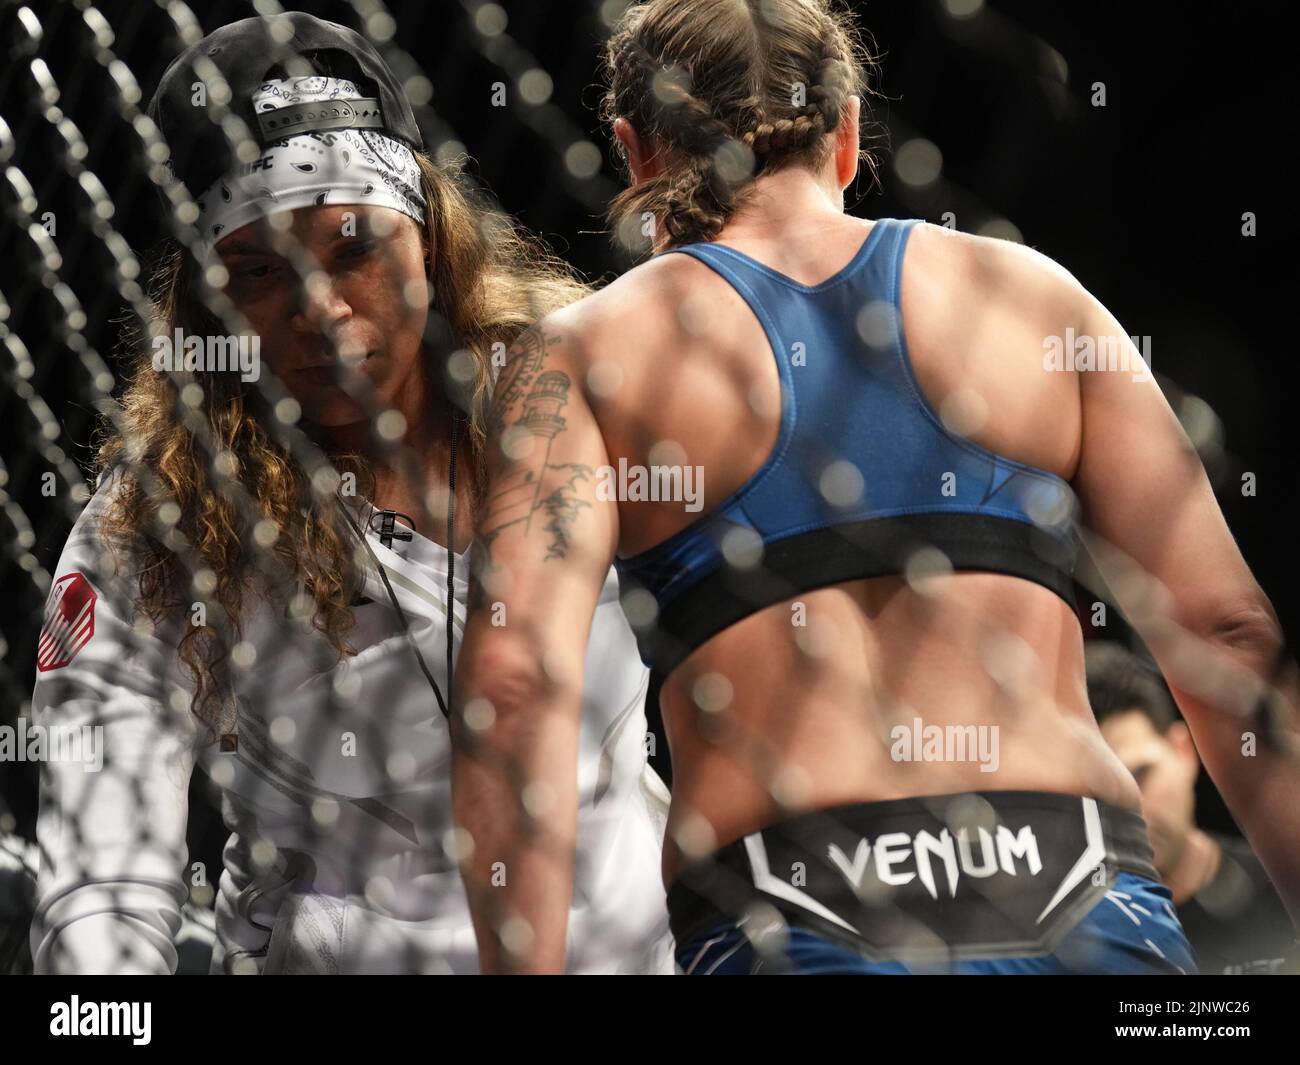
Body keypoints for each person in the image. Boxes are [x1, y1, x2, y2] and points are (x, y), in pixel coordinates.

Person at [450, 0, 1299, 974]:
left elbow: (516, 689)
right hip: (1080, 899)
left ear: (637, 151)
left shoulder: (585, 356)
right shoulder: (1031, 296)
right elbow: (1227, 638)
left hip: (794, 913)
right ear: (848, 134)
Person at [29, 12, 672, 975]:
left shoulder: (590, 391)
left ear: (431, 234)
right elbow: (102, 879)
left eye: (354, 246)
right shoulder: (161, 510)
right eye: (255, 271)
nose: (319, 312)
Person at [1087, 641, 1298, 974]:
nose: (1127, 809)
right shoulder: (1074, 941)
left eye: (1141, 775)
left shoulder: (1285, 886)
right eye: (1098, 794)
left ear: (1183, 750)